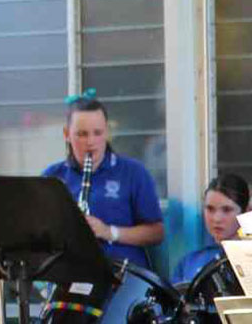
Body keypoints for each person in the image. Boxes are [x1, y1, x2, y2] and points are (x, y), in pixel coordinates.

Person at [42, 95, 165, 269]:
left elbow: (156, 233)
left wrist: (108, 232)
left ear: (107, 132)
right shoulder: (52, 176)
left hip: (122, 277)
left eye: (97, 133)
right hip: (71, 274)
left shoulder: (133, 172)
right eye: (82, 134)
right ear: (66, 134)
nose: (90, 142)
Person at [173, 174, 251, 284]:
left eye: (227, 210)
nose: (216, 219)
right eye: (210, 209)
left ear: (246, 212)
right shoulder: (189, 262)